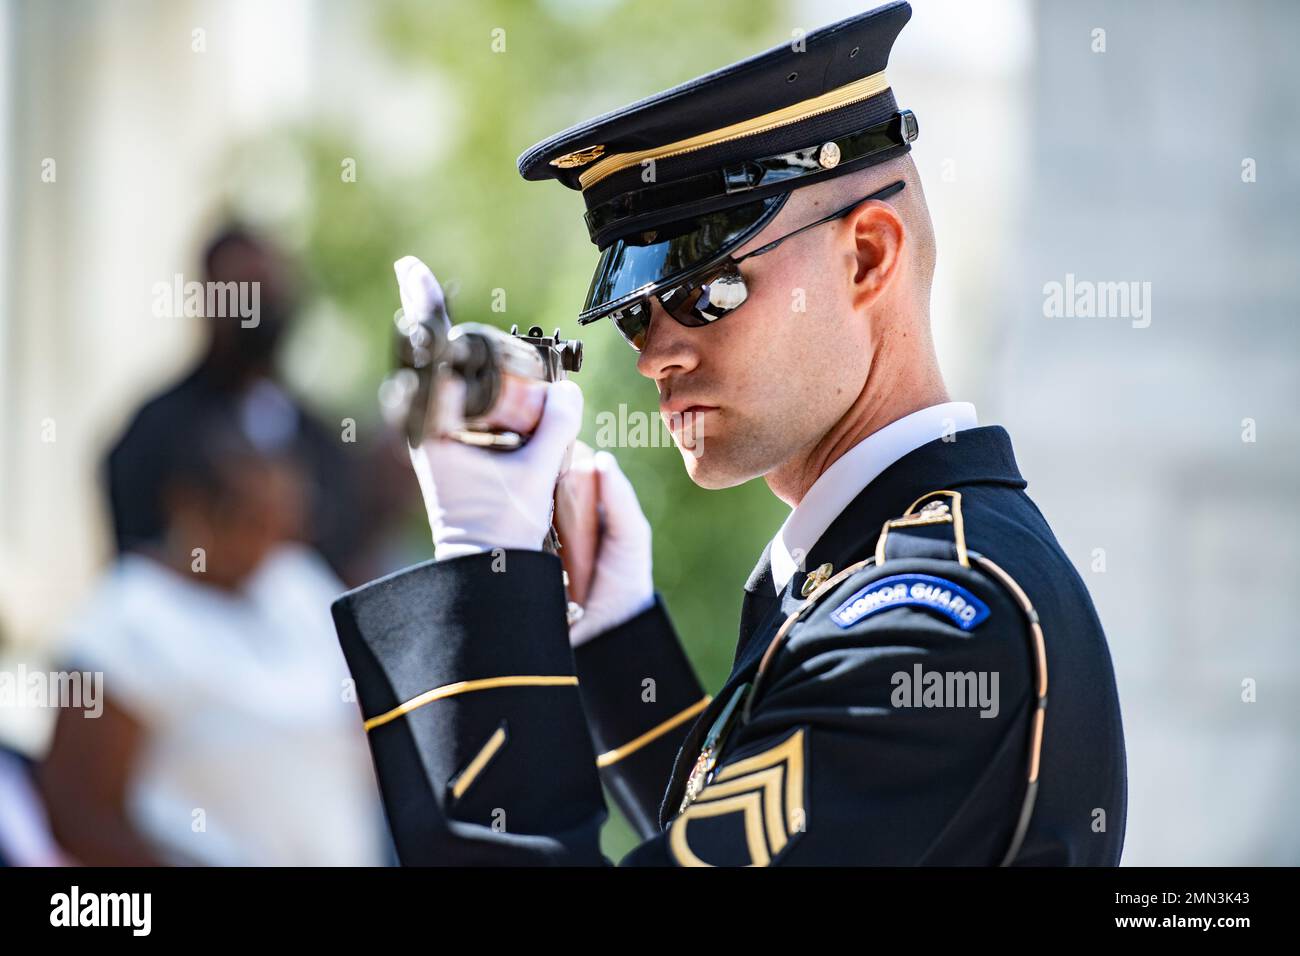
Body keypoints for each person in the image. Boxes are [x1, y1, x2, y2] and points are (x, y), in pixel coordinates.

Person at [332, 1, 1127, 865]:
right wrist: (615, 636)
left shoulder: (930, 629)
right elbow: (751, 808)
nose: (654, 358)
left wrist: (482, 596)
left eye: (704, 287)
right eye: (636, 315)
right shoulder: (892, 575)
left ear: (868, 256)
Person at [40, 411, 387, 865]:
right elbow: (78, 813)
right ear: (186, 506)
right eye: (245, 520)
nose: (263, 543)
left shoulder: (300, 587)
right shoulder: (123, 622)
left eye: (277, 523)